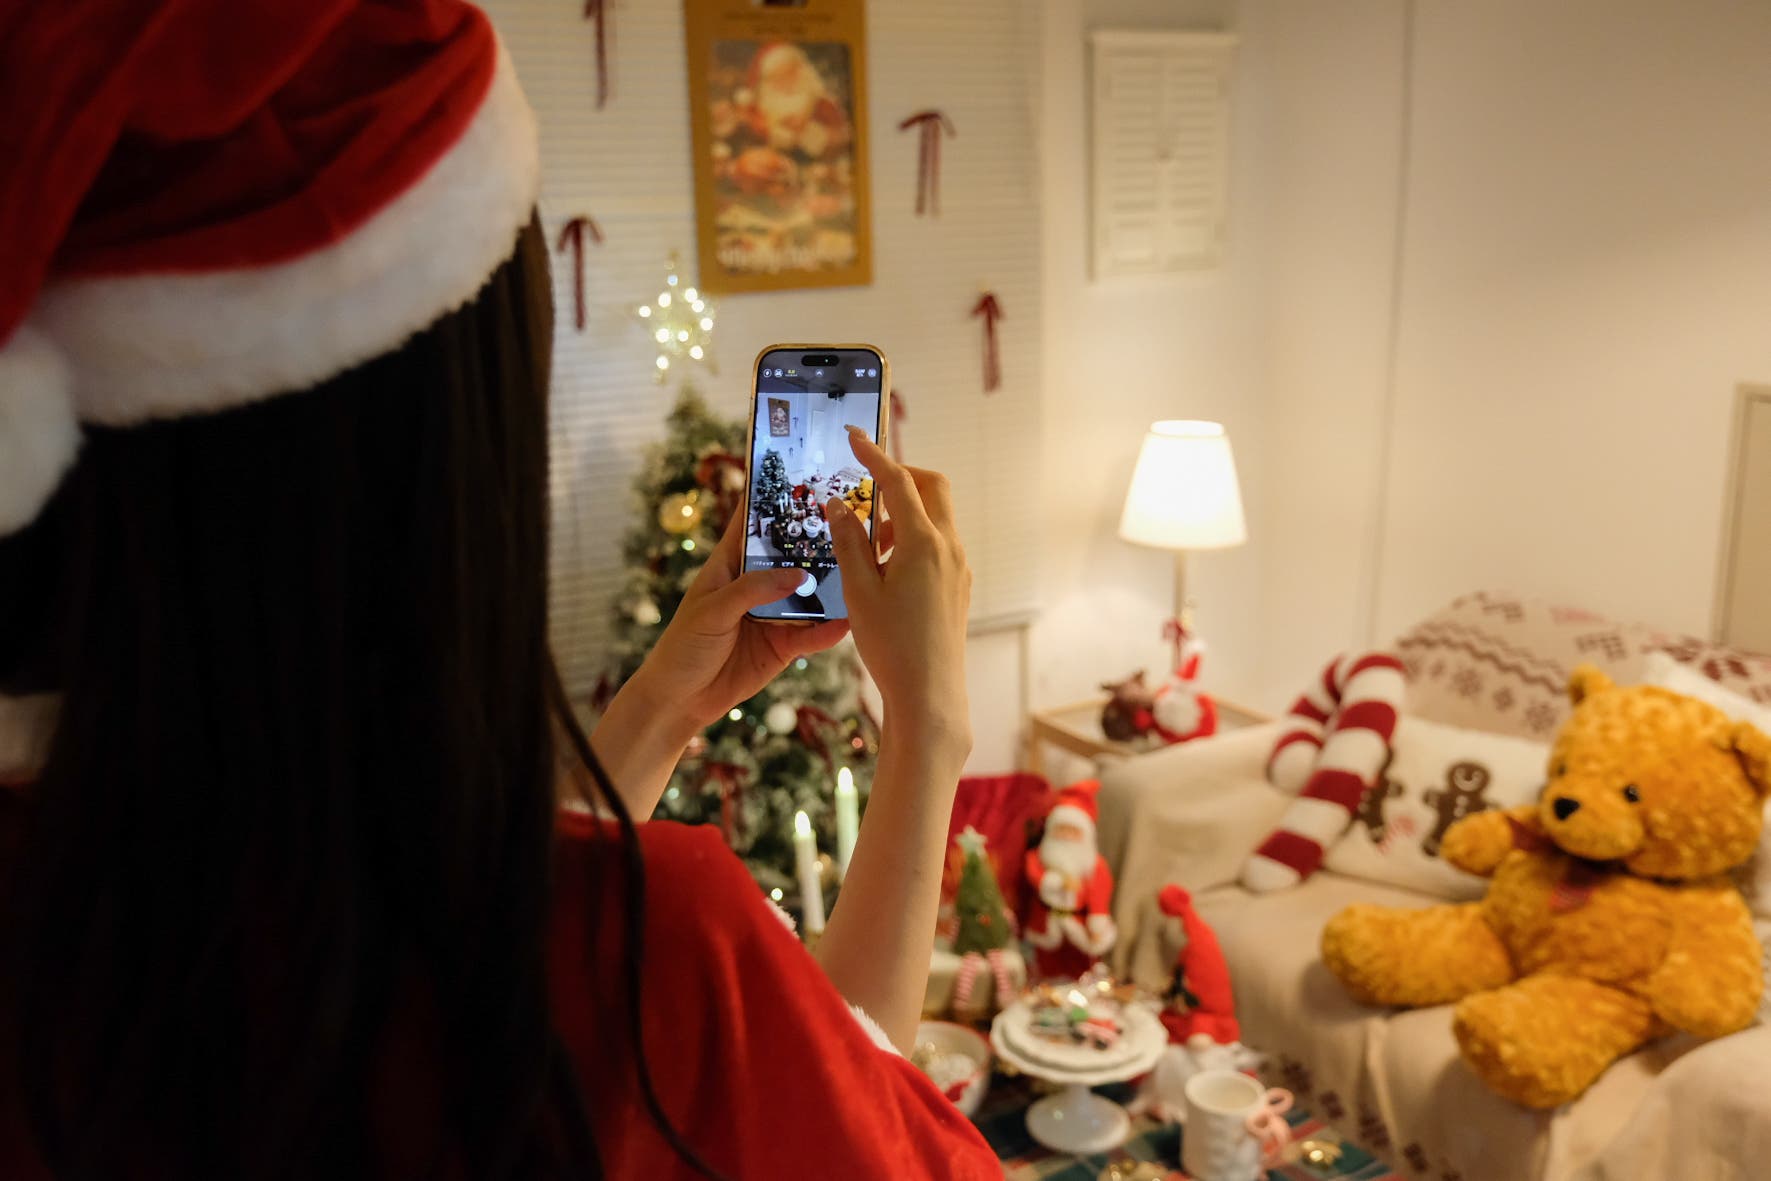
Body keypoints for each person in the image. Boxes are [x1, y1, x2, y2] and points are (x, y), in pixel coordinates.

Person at [0, 2, 995, 1177]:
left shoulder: (57, 910)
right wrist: (927, 726)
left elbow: (496, 914)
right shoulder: (661, 949)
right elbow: (866, 1121)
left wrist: (664, 704)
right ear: (447, 458)